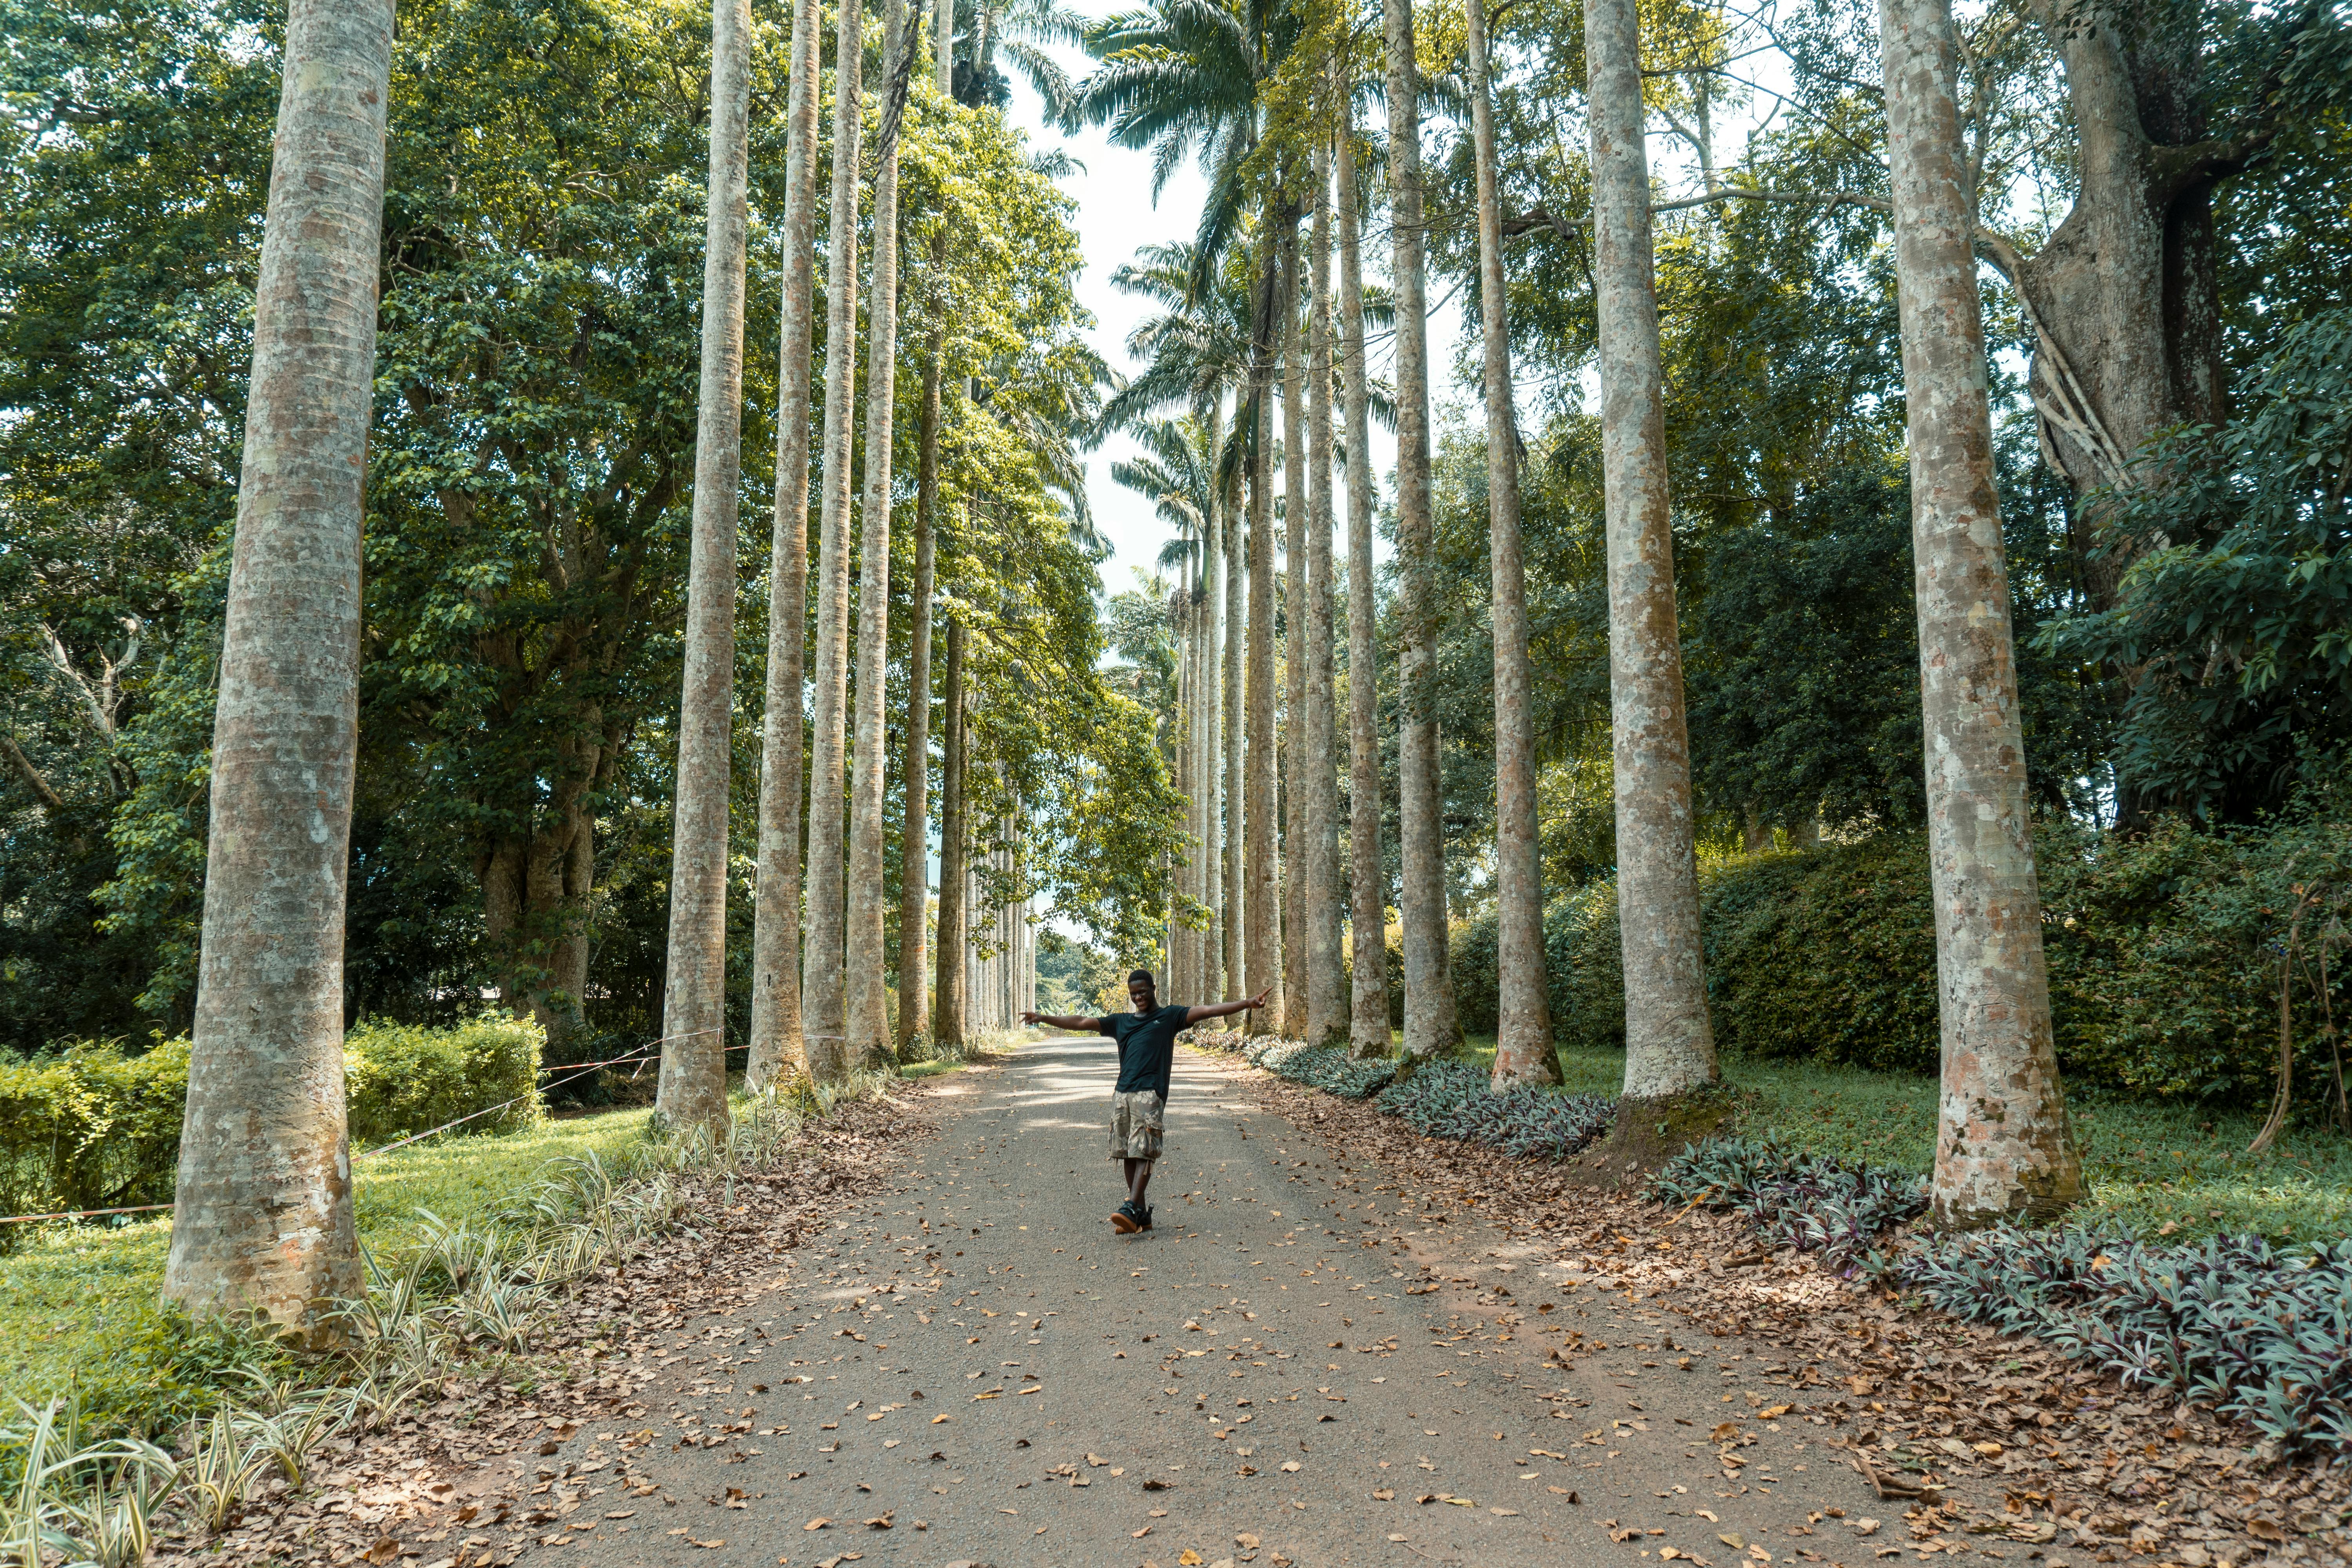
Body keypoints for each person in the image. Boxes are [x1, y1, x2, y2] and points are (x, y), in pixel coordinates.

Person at [1023, 971, 1270, 1234]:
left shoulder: (1169, 1017)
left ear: (1153, 988)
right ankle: (1139, 1214)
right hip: (1123, 1093)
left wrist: (1247, 1003)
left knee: (1145, 1150)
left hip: (1150, 1093)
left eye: (1143, 991)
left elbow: (1208, 1010)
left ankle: (1131, 1206)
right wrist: (1044, 1018)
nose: (1139, 997)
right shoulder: (1121, 1022)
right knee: (1127, 1152)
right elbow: (1082, 1021)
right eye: (1134, 994)